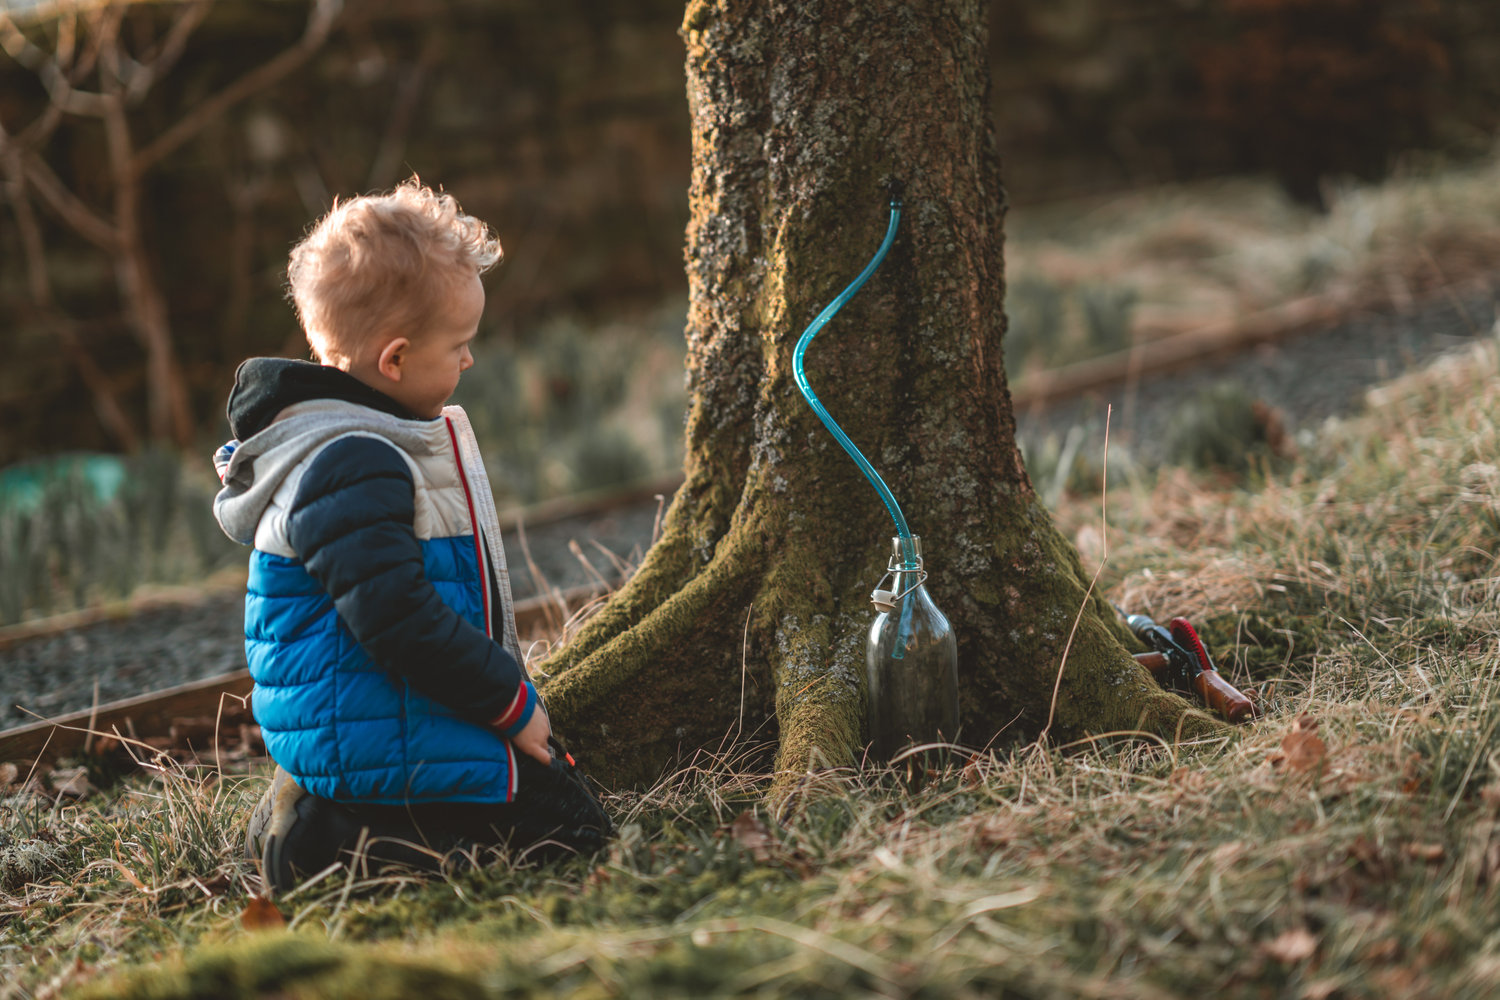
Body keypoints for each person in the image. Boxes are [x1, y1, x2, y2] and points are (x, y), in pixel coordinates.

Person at [213, 178, 611, 895]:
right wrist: (510, 704)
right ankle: (323, 843)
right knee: (573, 832)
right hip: (374, 724)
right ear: (394, 360)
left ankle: (318, 816)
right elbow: (399, 621)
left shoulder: (341, 443)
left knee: (560, 800)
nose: (468, 361)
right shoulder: (353, 461)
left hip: (366, 715)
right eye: (459, 345)